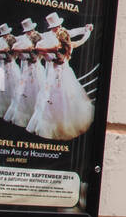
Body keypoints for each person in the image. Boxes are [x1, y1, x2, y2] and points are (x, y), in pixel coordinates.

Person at [27, 12, 95, 140]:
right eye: (54, 26)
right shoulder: (48, 38)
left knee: (65, 95)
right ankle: (48, 122)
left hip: (63, 72)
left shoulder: (66, 38)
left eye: (58, 26)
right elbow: (40, 46)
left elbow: (75, 34)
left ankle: (64, 121)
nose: (57, 28)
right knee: (49, 96)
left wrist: (86, 30)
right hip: (53, 71)